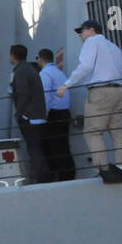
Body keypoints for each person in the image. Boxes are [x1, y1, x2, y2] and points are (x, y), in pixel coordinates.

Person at [58, 19, 122, 180]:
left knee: (92, 132)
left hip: (100, 92)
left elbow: (86, 66)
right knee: (117, 132)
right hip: (118, 91)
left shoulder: (91, 42)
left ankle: (102, 171)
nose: (80, 35)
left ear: (91, 30)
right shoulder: (115, 47)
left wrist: (66, 85)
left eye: (81, 31)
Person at [8, 44, 49, 184]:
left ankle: (41, 179)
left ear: (13, 55)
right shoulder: (31, 69)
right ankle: (42, 177)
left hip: (30, 116)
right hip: (39, 115)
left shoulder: (20, 71)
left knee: (34, 149)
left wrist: (19, 114)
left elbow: (23, 94)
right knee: (38, 148)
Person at [36, 48, 75, 181]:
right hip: (64, 112)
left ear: (40, 59)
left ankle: (57, 176)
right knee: (63, 146)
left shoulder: (44, 74)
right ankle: (69, 174)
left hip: (53, 114)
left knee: (52, 148)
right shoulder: (60, 73)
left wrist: (43, 116)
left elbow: (45, 96)